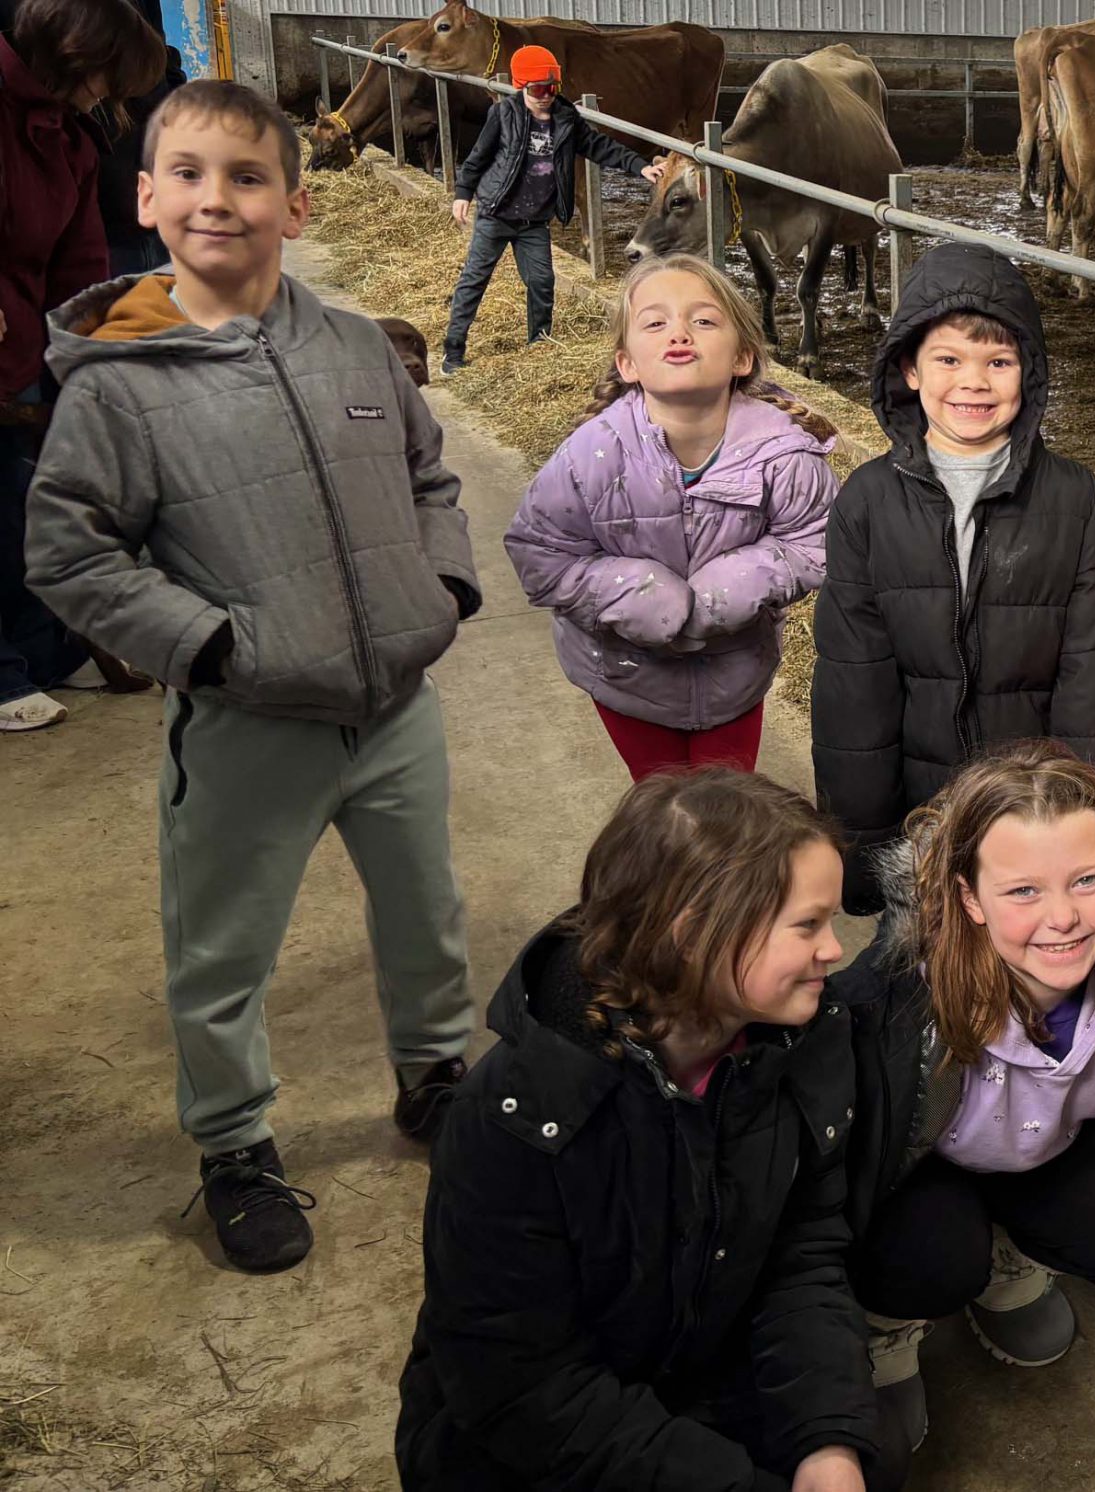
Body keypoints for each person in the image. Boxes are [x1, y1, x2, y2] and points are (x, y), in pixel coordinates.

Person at [23, 80, 480, 1274]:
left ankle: (435, 1074)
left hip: (395, 706)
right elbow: (69, 553)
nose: (215, 198)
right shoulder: (117, 383)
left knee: (425, 911)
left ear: (296, 203)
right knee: (223, 947)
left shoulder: (353, 343)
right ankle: (233, 1142)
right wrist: (212, 648)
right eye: (186, 173)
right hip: (247, 721)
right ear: (144, 197)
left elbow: (429, 479)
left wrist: (441, 588)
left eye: (246, 176)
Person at [397, 770, 895, 1492]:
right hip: (527, 1440)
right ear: (693, 936)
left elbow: (802, 1255)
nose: (834, 951)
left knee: (869, 1459)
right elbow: (518, 1384)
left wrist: (827, 1439)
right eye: (807, 925)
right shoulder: (514, 1117)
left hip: (696, 1374)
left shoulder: (806, 1043)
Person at [834, 741, 1095, 1453]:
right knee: (930, 1258)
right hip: (922, 1170)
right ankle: (884, 1323)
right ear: (969, 899)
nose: (1063, 917)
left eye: (1088, 880)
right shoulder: (888, 1002)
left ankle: (1011, 1254)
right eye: (1023, 891)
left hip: (1050, 1147)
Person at [811, 242, 1095, 915]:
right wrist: (866, 850)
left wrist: (1085, 818)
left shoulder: (1073, 499)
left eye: (999, 361)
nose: (974, 382)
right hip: (920, 821)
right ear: (908, 369)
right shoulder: (867, 502)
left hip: (1033, 814)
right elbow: (854, 682)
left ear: (1030, 372)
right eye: (949, 360)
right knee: (921, 954)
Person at [507, 253, 835, 780]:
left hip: (735, 675)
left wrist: (733, 586)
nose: (679, 333)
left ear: (742, 357)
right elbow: (541, 554)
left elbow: (815, 540)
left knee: (724, 805)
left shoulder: (785, 454)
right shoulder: (590, 456)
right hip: (625, 677)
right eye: (655, 323)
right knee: (662, 802)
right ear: (628, 365)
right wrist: (633, 593)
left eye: (703, 320)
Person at [0, 0, 165, 732]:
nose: (110, 97)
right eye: (108, 78)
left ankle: (47, 648)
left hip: (21, 340)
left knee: (34, 500)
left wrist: (92, 344)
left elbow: (79, 255)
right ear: (76, 55)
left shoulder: (68, 136)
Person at [444, 44, 664, 375]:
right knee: (474, 279)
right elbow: (477, 158)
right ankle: (454, 349)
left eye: (552, 88)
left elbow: (598, 145)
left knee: (542, 282)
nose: (546, 96)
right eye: (538, 90)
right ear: (521, 86)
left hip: (534, 220)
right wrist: (463, 194)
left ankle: (540, 343)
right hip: (496, 213)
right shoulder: (503, 114)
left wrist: (640, 166)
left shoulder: (565, 117)